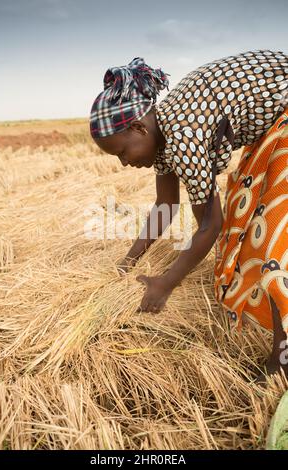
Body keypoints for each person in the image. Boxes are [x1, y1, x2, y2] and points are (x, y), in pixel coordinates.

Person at [89, 50, 288, 381]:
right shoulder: (163, 136)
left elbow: (211, 225)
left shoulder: (182, 135)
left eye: (122, 152)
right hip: (273, 130)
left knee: (271, 241)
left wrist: (166, 283)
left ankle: (282, 359)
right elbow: (165, 205)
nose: (124, 162)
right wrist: (129, 261)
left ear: (138, 127)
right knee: (246, 223)